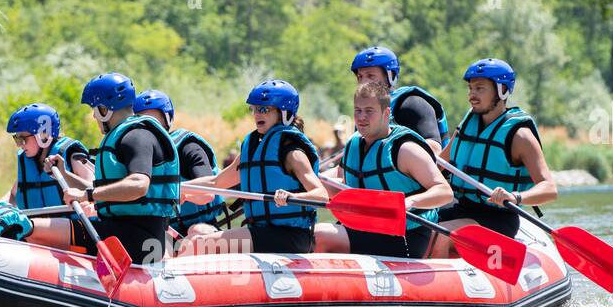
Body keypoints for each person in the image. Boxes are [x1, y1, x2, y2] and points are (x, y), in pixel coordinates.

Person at [30, 72, 179, 263]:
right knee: (39, 230)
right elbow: (106, 189)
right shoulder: (125, 136)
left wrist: (87, 196)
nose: (94, 115)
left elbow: (139, 184)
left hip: (139, 238)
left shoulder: (136, 136)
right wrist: (64, 173)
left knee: (34, 228)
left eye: (94, 109)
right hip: (118, 230)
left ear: (104, 109)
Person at [179, 80, 327, 256]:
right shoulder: (253, 148)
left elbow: (321, 195)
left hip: (290, 238)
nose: (257, 114)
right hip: (261, 233)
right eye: (254, 109)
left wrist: (292, 196)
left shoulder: (292, 151)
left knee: (197, 244)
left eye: (264, 109)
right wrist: (180, 189)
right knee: (195, 232)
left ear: (284, 113)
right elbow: (216, 181)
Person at [314, 83, 452, 258]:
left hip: (405, 235)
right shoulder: (354, 144)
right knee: (312, 231)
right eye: (358, 110)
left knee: (319, 236)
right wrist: (310, 185)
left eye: (369, 111)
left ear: (386, 113)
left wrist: (410, 202)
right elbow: (342, 186)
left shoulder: (405, 149)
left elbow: (444, 191)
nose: (361, 117)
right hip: (365, 227)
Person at [436, 58, 558, 242]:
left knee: (437, 233)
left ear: (502, 90)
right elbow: (439, 165)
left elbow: (549, 189)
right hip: (460, 207)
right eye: (470, 88)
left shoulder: (520, 136)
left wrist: (515, 197)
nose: (472, 95)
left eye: (480, 88)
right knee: (414, 224)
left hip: (496, 219)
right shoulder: (469, 124)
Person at [132, 89, 225, 237]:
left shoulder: (189, 148)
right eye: (143, 123)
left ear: (167, 120)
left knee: (196, 232)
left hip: (200, 228)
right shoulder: (138, 156)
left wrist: (183, 194)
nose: (150, 129)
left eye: (154, 122)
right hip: (164, 231)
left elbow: (208, 194)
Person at [350, 45, 448, 150]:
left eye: (370, 76)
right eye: (360, 77)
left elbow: (434, 149)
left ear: (390, 76)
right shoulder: (363, 113)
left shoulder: (413, 104)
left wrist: (395, 155)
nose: (364, 82)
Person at [0, 103, 93, 211]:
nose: (19, 145)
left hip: (74, 224)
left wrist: (64, 174)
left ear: (43, 135)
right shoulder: (29, 161)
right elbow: (13, 195)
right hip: (40, 225)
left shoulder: (72, 156)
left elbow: (94, 190)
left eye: (22, 139)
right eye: (17, 139)